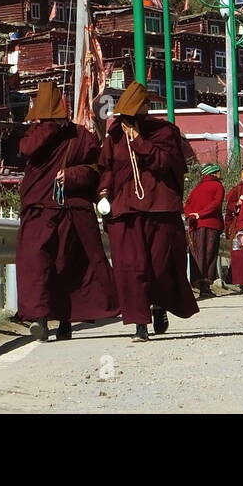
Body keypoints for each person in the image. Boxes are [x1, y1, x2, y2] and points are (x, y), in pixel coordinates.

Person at [15, 81, 118, 341]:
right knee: (36, 265)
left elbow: (97, 170)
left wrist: (72, 175)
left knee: (68, 267)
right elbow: (28, 150)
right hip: (39, 210)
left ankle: (65, 320)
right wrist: (49, 126)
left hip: (71, 210)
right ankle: (39, 318)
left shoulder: (81, 136)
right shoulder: (35, 135)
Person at [97, 81, 199, 341]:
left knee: (160, 266)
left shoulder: (164, 132)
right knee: (130, 268)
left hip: (159, 208)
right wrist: (103, 194)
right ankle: (139, 323)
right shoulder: (115, 135)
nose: (126, 121)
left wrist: (140, 143)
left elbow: (166, 164)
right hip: (124, 211)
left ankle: (158, 305)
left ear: (145, 108)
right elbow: (107, 168)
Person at [183, 164, 224, 298]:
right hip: (210, 224)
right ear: (214, 173)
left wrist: (191, 215)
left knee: (197, 255)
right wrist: (201, 214)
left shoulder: (196, 188)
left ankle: (197, 283)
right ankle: (205, 287)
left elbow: (187, 204)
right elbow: (216, 204)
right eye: (219, 172)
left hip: (195, 226)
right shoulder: (218, 186)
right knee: (209, 255)